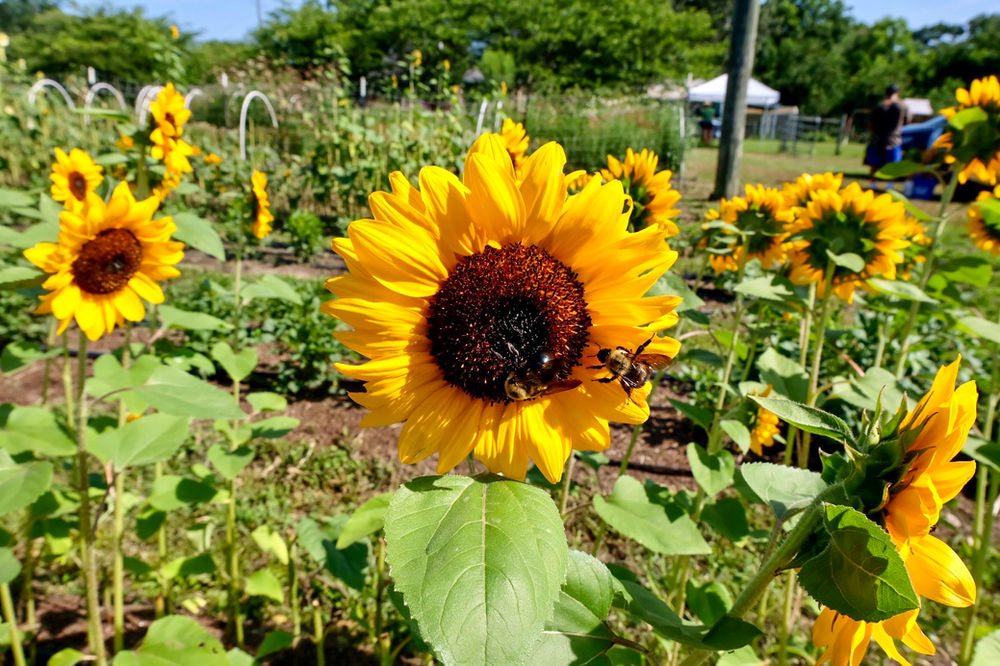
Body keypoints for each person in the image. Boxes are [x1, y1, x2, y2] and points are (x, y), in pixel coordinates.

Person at [865, 85, 910, 187]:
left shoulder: (879, 105)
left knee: (874, 164)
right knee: (893, 164)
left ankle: (873, 185)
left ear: (886, 93)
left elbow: (870, 124)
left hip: (876, 139)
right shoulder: (902, 105)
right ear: (898, 93)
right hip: (893, 139)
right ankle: (890, 185)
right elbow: (907, 121)